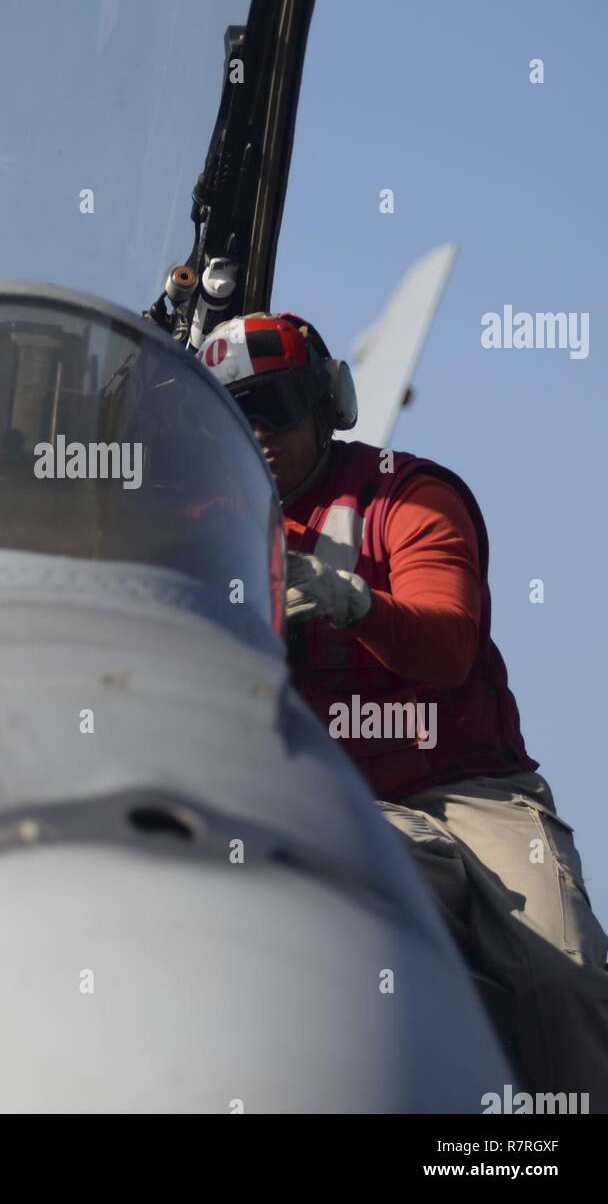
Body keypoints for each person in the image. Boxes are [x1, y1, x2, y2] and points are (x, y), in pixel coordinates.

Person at [198, 309, 608, 1109]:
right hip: (335, 795)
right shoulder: (207, 530)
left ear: (326, 405)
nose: (260, 436)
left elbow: (449, 645)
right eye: (235, 417)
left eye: (276, 408)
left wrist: (356, 605)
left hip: (472, 789)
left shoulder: (408, 495)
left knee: (567, 981)